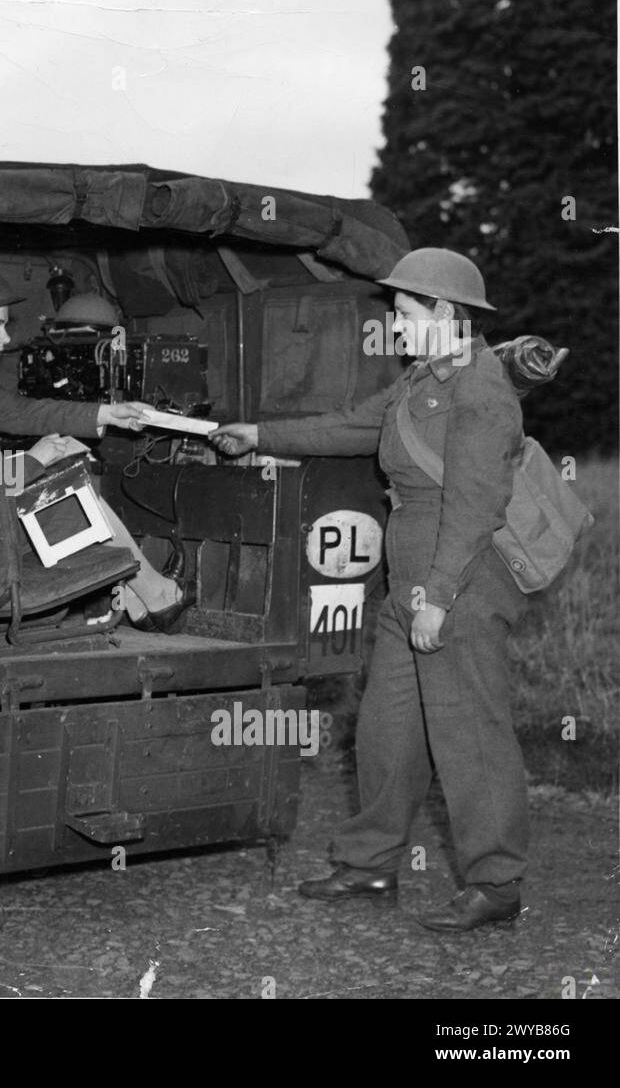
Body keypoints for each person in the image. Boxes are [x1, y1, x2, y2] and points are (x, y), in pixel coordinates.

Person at [210, 248, 530, 932]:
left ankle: (497, 881)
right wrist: (260, 434)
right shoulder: (421, 379)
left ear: (443, 312)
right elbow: (353, 424)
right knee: (386, 727)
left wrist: (439, 597)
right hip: (410, 579)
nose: (393, 320)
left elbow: (476, 508)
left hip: (461, 581)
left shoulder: (481, 391)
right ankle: (371, 861)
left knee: (470, 732)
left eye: (404, 309)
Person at [0, 269, 190, 632]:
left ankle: (138, 598)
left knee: (75, 485)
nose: (5, 339)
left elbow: (22, 411)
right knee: (79, 499)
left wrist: (107, 413)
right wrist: (34, 460)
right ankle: (158, 595)